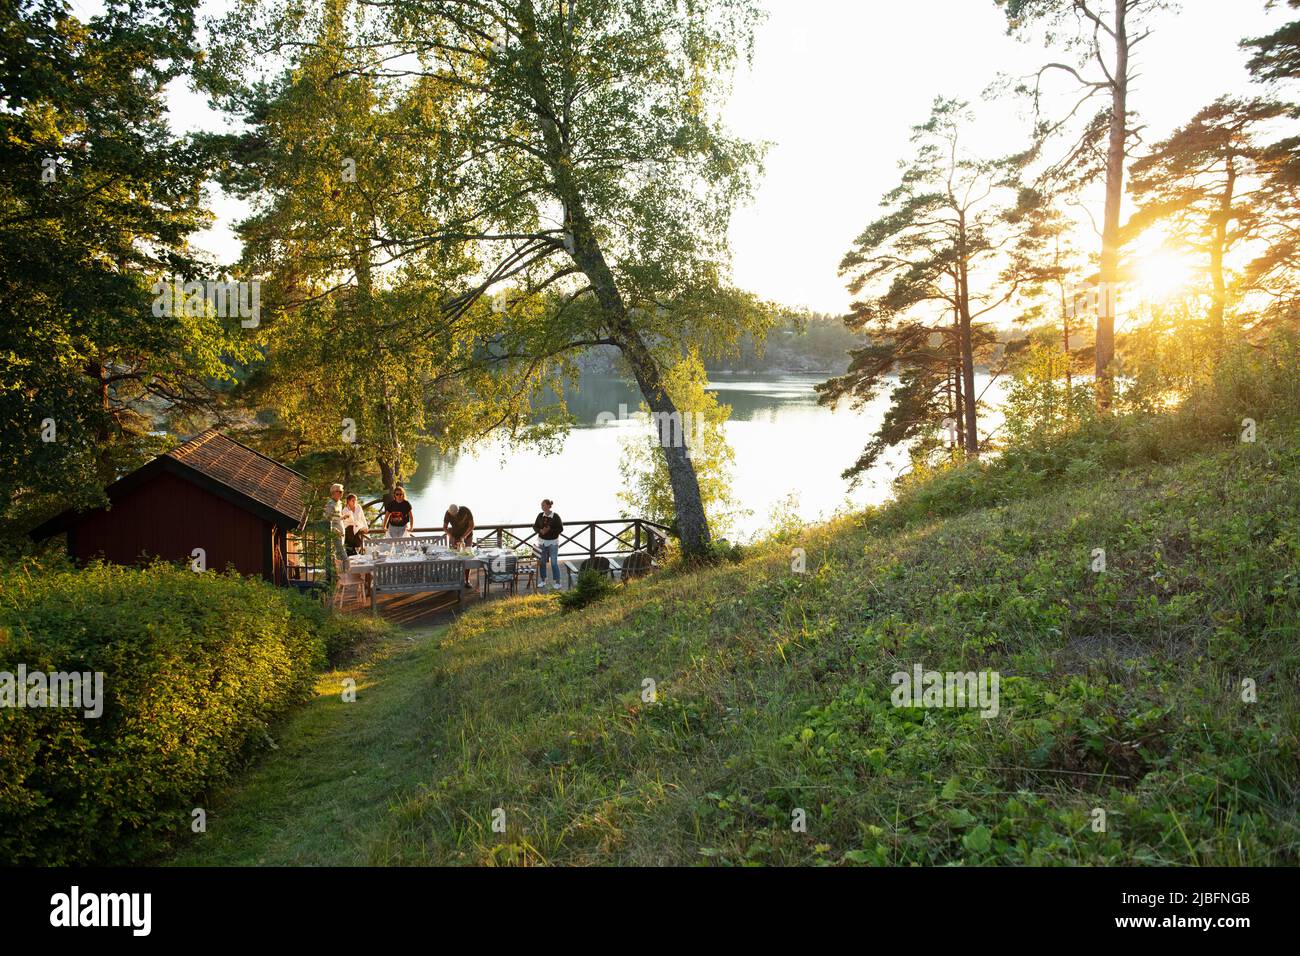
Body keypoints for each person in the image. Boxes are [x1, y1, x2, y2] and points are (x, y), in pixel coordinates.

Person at [533, 499, 563, 589]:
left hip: (553, 542)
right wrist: (540, 530)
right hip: (542, 542)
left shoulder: (556, 516)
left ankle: (558, 582)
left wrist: (550, 530)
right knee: (542, 562)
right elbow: (535, 527)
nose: (542, 507)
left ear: (549, 506)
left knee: (554, 562)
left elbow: (560, 529)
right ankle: (543, 580)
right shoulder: (540, 515)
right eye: (541, 505)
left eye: (544, 505)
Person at [323, 483, 347, 562]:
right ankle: (348, 567)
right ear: (333, 492)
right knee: (341, 552)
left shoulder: (339, 503)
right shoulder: (330, 504)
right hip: (335, 532)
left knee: (340, 552)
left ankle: (341, 570)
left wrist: (343, 517)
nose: (341, 493)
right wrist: (334, 530)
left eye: (342, 491)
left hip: (341, 530)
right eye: (339, 491)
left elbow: (337, 516)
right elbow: (327, 519)